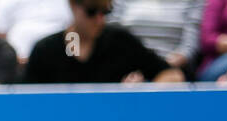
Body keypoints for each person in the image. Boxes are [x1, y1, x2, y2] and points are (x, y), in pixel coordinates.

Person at [23, 0, 187, 81]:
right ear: (73, 5)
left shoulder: (120, 41)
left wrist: (142, 94)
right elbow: (26, 102)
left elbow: (171, 75)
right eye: (92, 12)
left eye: (105, 12)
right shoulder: (46, 50)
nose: (99, 20)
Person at [108, 0, 206, 73]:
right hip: (128, 70)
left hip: (172, 71)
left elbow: (189, 48)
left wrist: (158, 70)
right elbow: (112, 33)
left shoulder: (194, 2)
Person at [0, 0, 74, 62]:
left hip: (63, 64)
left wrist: (73, 59)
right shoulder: (5, 2)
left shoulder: (72, 3)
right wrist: (10, 61)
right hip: (17, 65)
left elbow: (77, 32)